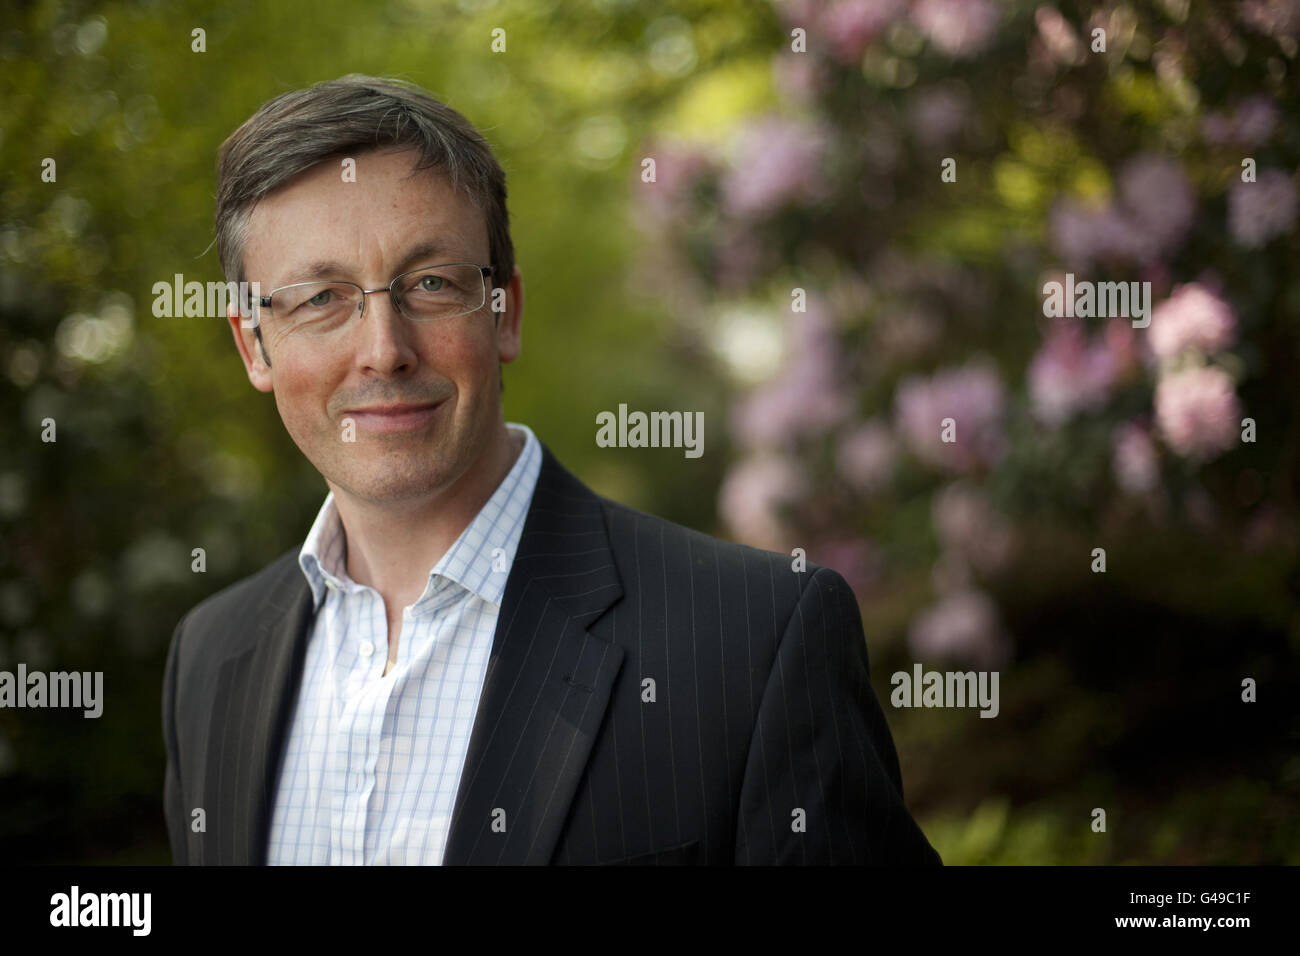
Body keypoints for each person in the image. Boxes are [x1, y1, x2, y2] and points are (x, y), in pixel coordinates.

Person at [161, 74, 941, 866]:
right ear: (253, 346)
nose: (384, 350)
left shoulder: (757, 641)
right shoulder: (210, 660)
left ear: (507, 313)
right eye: (322, 297)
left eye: (432, 284)